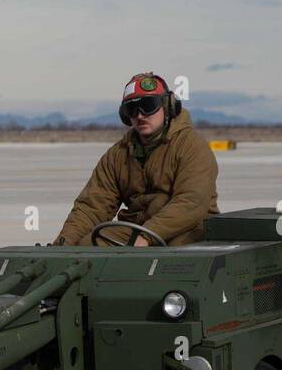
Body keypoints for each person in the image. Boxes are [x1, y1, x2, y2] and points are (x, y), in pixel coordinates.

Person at [53, 73, 219, 247]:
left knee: (174, 256)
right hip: (139, 230)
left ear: (167, 106)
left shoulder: (191, 146)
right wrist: (63, 244)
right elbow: (92, 207)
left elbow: (192, 202)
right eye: (132, 109)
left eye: (148, 106)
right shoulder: (118, 155)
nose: (140, 115)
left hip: (190, 228)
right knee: (89, 245)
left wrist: (147, 236)